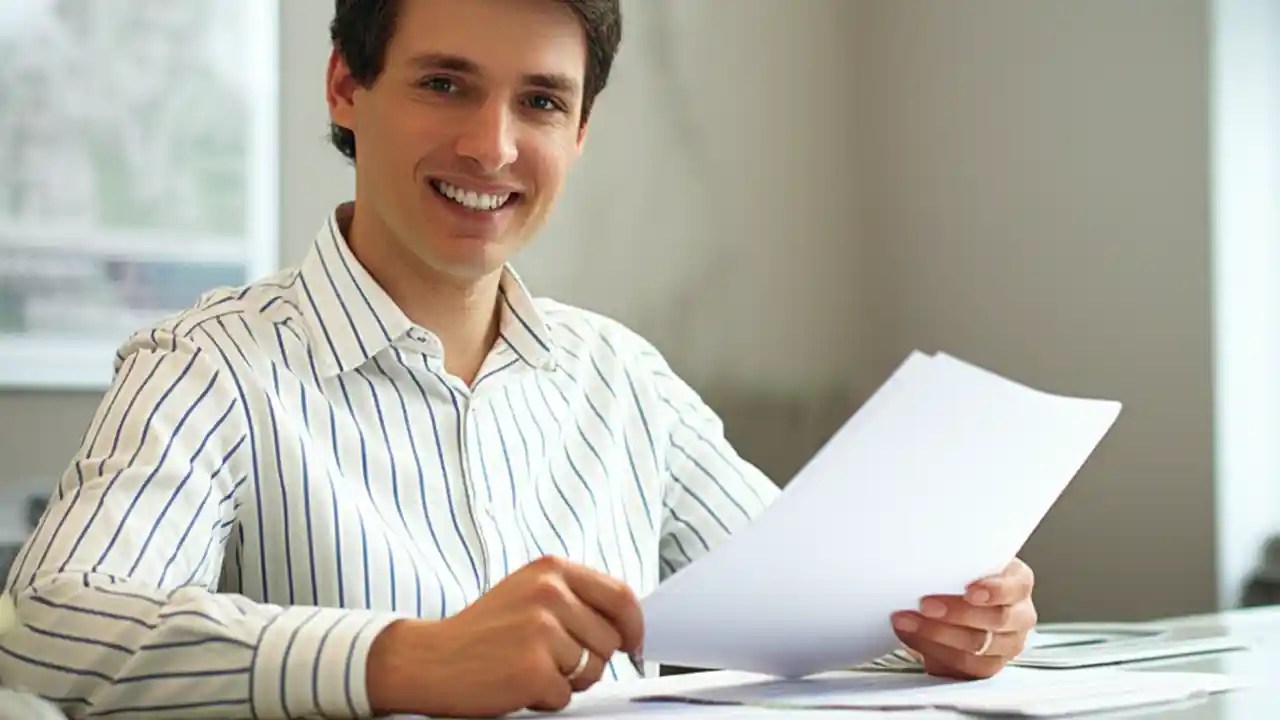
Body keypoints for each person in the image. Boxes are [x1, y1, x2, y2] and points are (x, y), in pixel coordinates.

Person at [0, 1, 1038, 718]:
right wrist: (403, 659)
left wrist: (941, 620)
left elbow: (807, 597)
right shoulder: (206, 367)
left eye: (539, 102)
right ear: (344, 88)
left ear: (580, 131)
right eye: (445, 84)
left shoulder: (624, 381)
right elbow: (49, 626)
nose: (491, 146)